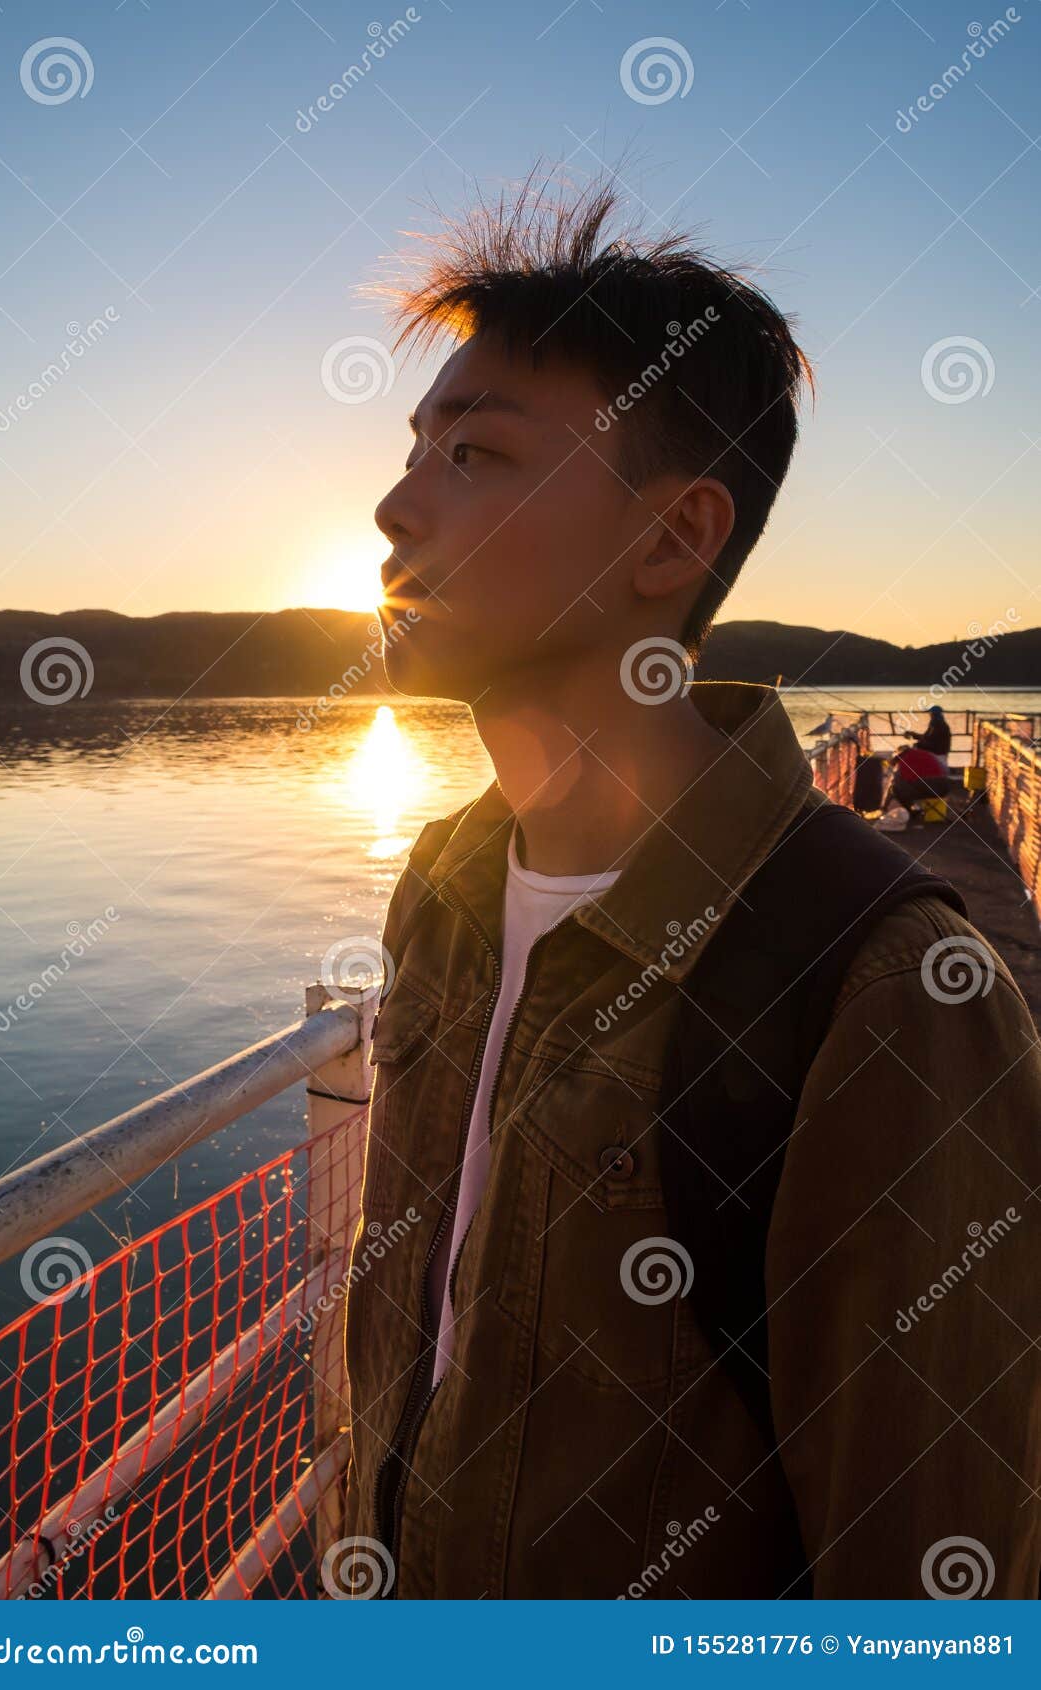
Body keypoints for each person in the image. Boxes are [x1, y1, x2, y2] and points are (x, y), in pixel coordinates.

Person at [337, 166, 1041, 1600]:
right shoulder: (445, 884)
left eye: (472, 454)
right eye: (412, 446)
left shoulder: (883, 989)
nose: (393, 506)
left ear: (671, 537)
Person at [884, 742, 951, 815]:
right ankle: (916, 809)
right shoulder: (925, 753)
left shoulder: (903, 761)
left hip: (929, 789)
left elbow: (893, 783)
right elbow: (945, 770)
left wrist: (884, 806)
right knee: (907, 786)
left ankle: (911, 813)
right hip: (945, 787)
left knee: (895, 790)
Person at [905, 703, 951, 771]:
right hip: (937, 749)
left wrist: (915, 737)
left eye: (931, 713)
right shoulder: (937, 723)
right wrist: (913, 735)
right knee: (915, 746)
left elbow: (929, 739)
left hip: (937, 751)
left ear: (933, 714)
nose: (930, 715)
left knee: (914, 748)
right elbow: (927, 737)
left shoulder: (938, 725)